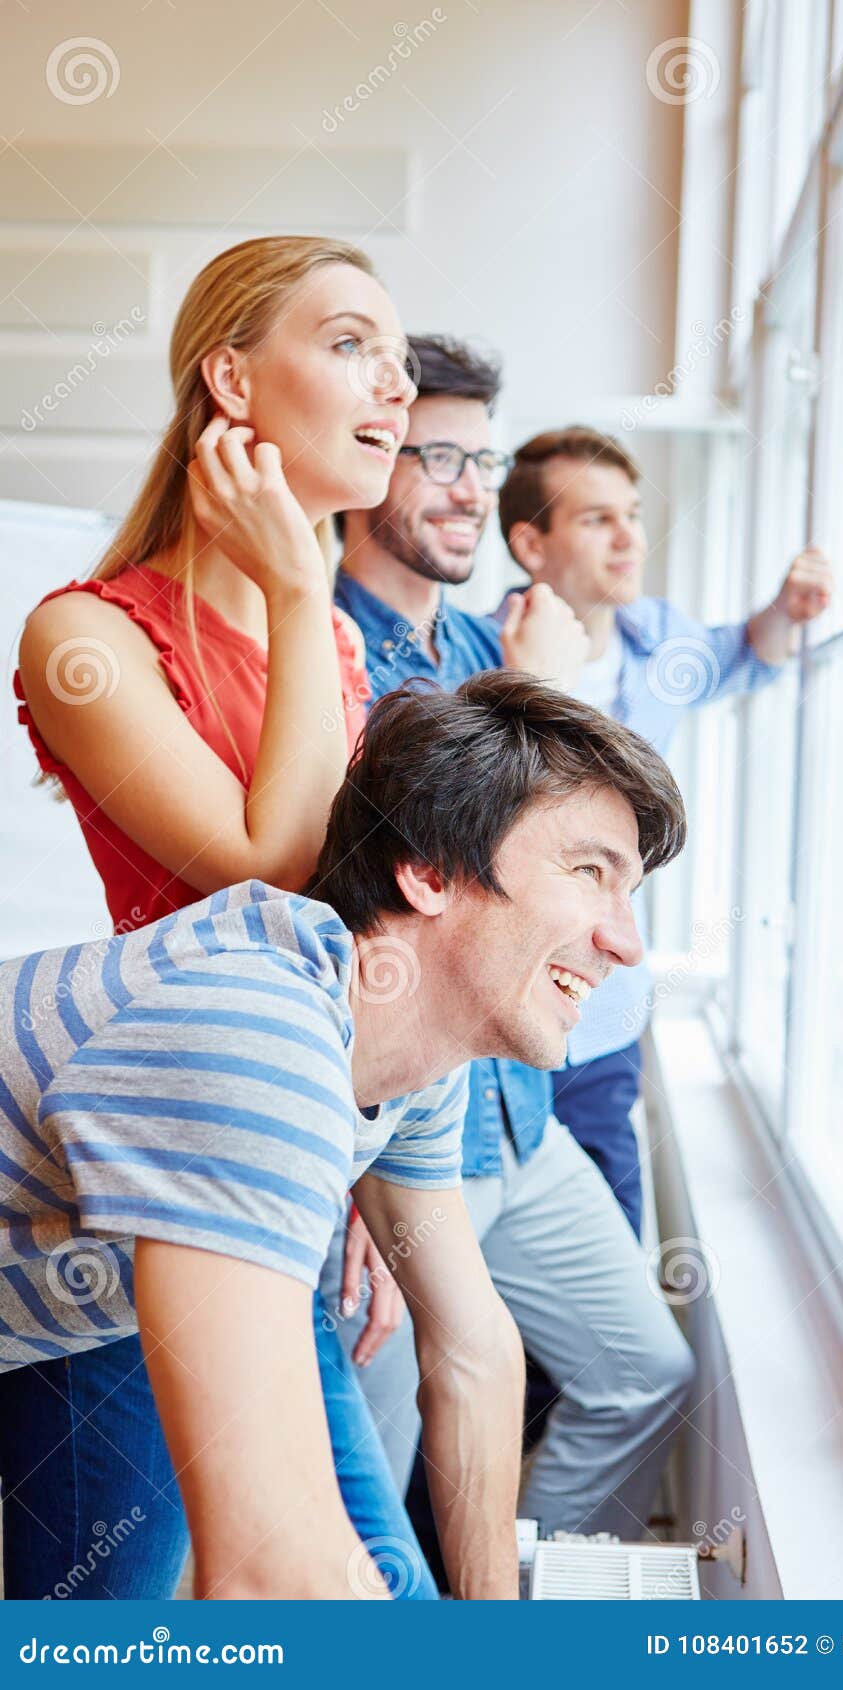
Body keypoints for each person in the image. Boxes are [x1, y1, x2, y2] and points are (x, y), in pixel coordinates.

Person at [0, 670, 687, 1599]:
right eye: (589, 872)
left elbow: (473, 1350)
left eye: (629, 889)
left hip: (65, 1304)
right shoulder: (255, 1039)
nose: (626, 942)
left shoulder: (414, 1047)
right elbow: (266, 1571)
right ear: (430, 869)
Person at [7, 233, 433, 1600]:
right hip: (119, 1210)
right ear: (229, 379)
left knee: (335, 1593)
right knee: (109, 1611)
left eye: (401, 358)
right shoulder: (88, 640)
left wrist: (354, 1163)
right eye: (353, 343)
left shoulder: (343, 644)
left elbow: (353, 949)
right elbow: (281, 873)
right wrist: (305, 588)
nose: (396, 389)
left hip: (274, 1154)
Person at [329, 336, 697, 1546]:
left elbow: (572, 841)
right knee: (372, 1480)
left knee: (647, 1369)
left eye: (479, 460)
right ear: (364, 457)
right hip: (396, 1145)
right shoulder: (319, 654)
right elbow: (335, 900)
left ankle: (512, 1603)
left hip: (518, 1129)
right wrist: (355, 1188)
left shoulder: (498, 653)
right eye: (432, 454)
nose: (465, 488)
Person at [497, 426, 834, 1235]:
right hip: (495, 1014)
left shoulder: (660, 647)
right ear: (531, 544)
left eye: (634, 515)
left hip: (603, 1018)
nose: (629, 538)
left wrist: (787, 609)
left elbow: (746, 650)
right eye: (597, 520)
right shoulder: (480, 659)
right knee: (491, 1255)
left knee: (612, 1250)